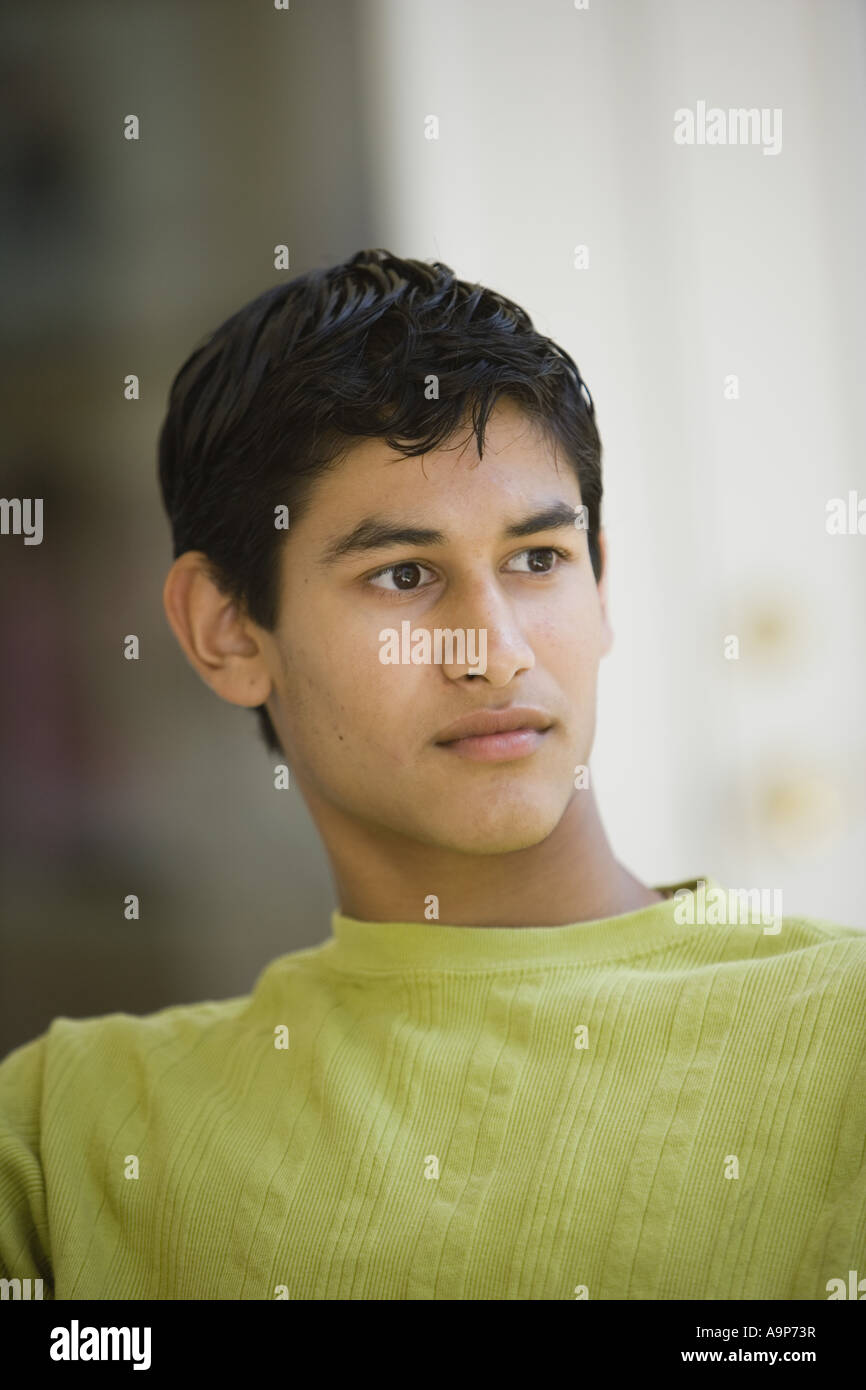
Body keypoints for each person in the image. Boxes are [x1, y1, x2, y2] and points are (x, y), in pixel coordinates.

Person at [1, 249, 863, 1301]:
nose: (494, 651)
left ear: (601, 583)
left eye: (537, 559)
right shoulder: (69, 1130)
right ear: (228, 631)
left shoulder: (841, 1039)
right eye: (403, 575)